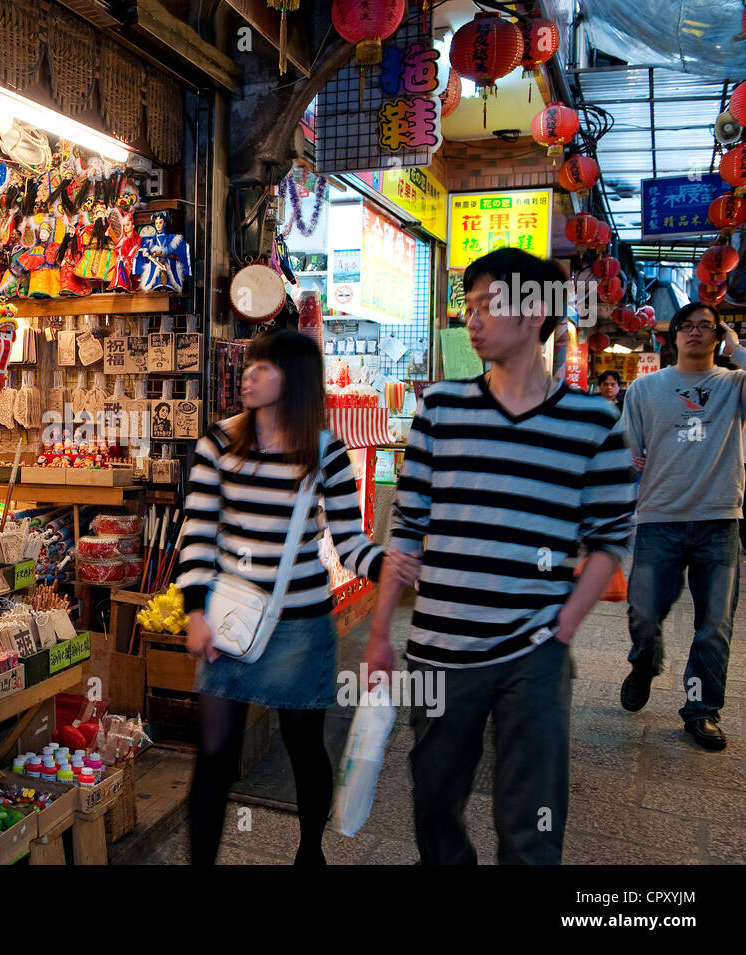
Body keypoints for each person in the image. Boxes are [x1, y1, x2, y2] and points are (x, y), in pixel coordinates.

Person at [367, 248, 636, 864]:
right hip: (439, 645)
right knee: (433, 804)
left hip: (533, 656)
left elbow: (610, 537)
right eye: (470, 307)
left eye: (489, 305)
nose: (473, 321)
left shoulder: (593, 420)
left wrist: (562, 628)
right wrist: (382, 632)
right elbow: (408, 527)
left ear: (536, 310)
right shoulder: (441, 409)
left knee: (532, 823)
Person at [177, 328, 419, 865]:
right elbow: (196, 534)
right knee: (214, 753)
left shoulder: (324, 451)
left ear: (298, 381)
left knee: (304, 749)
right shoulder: (216, 444)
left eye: (266, 367)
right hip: (230, 621)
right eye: (251, 364)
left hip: (301, 626)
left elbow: (350, 543)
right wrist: (196, 611)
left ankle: (310, 851)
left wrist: (391, 566)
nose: (250, 374)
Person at [618, 303, 745, 751]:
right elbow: (621, 448)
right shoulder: (646, 389)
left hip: (719, 519)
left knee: (714, 625)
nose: (695, 333)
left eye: (705, 327)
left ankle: (702, 710)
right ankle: (644, 663)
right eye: (687, 326)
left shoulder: (736, 385)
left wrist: (737, 347)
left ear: (717, 336)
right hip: (659, 518)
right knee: (644, 614)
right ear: (673, 337)